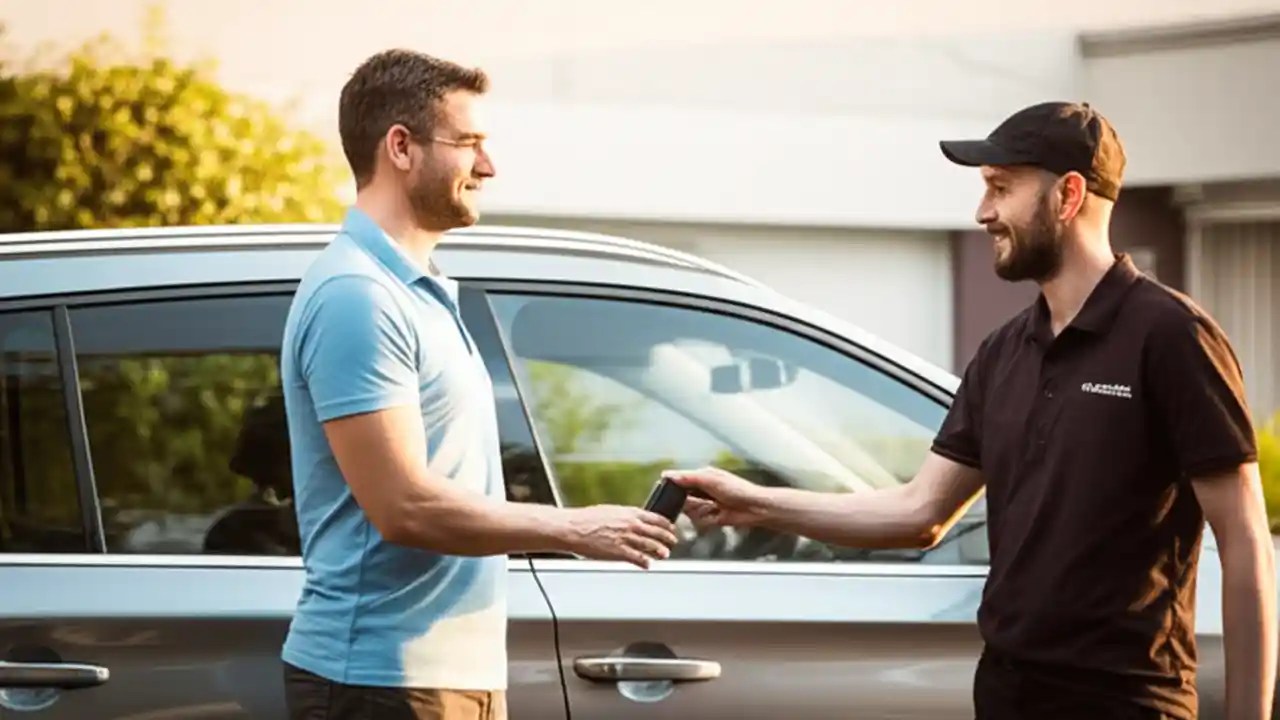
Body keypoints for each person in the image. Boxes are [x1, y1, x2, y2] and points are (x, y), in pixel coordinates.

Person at [666, 101, 1277, 720]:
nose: (983, 213)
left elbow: (1247, 541)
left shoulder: (1172, 336)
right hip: (1007, 696)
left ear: (1068, 196)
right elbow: (918, 512)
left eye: (1000, 189)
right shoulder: (1004, 350)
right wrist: (754, 503)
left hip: (1126, 701)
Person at [278, 49, 678, 720]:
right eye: (469, 144)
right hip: (381, 680)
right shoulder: (358, 296)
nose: (488, 167)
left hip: (443, 678)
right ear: (400, 147)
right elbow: (403, 505)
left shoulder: (413, 291)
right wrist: (577, 528)